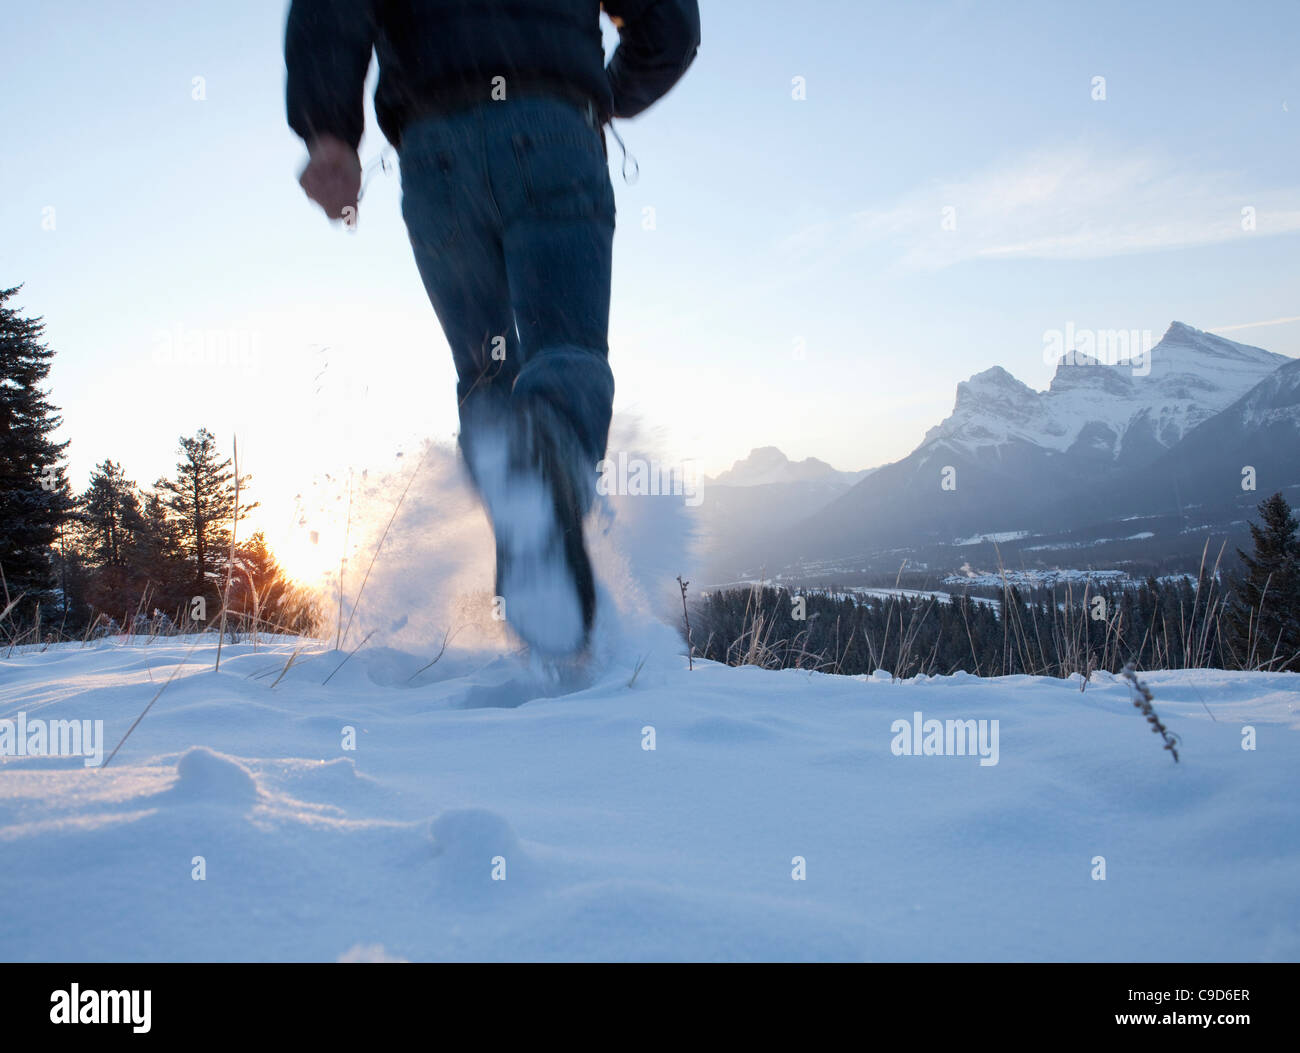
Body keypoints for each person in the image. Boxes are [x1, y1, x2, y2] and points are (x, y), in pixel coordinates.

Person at [285, 0, 700, 657]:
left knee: (487, 372)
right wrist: (599, 92)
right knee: (564, 353)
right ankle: (547, 490)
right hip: (553, 129)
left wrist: (328, 131)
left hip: (434, 153)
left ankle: (536, 561)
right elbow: (669, 25)